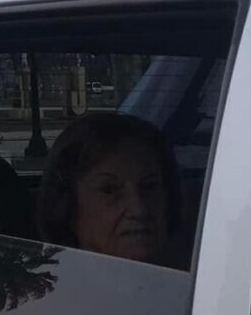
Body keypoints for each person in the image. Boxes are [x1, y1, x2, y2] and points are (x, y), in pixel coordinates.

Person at [37, 112, 182, 266]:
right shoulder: (53, 281)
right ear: (67, 207)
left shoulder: (195, 275)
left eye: (150, 187)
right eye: (109, 189)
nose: (139, 209)